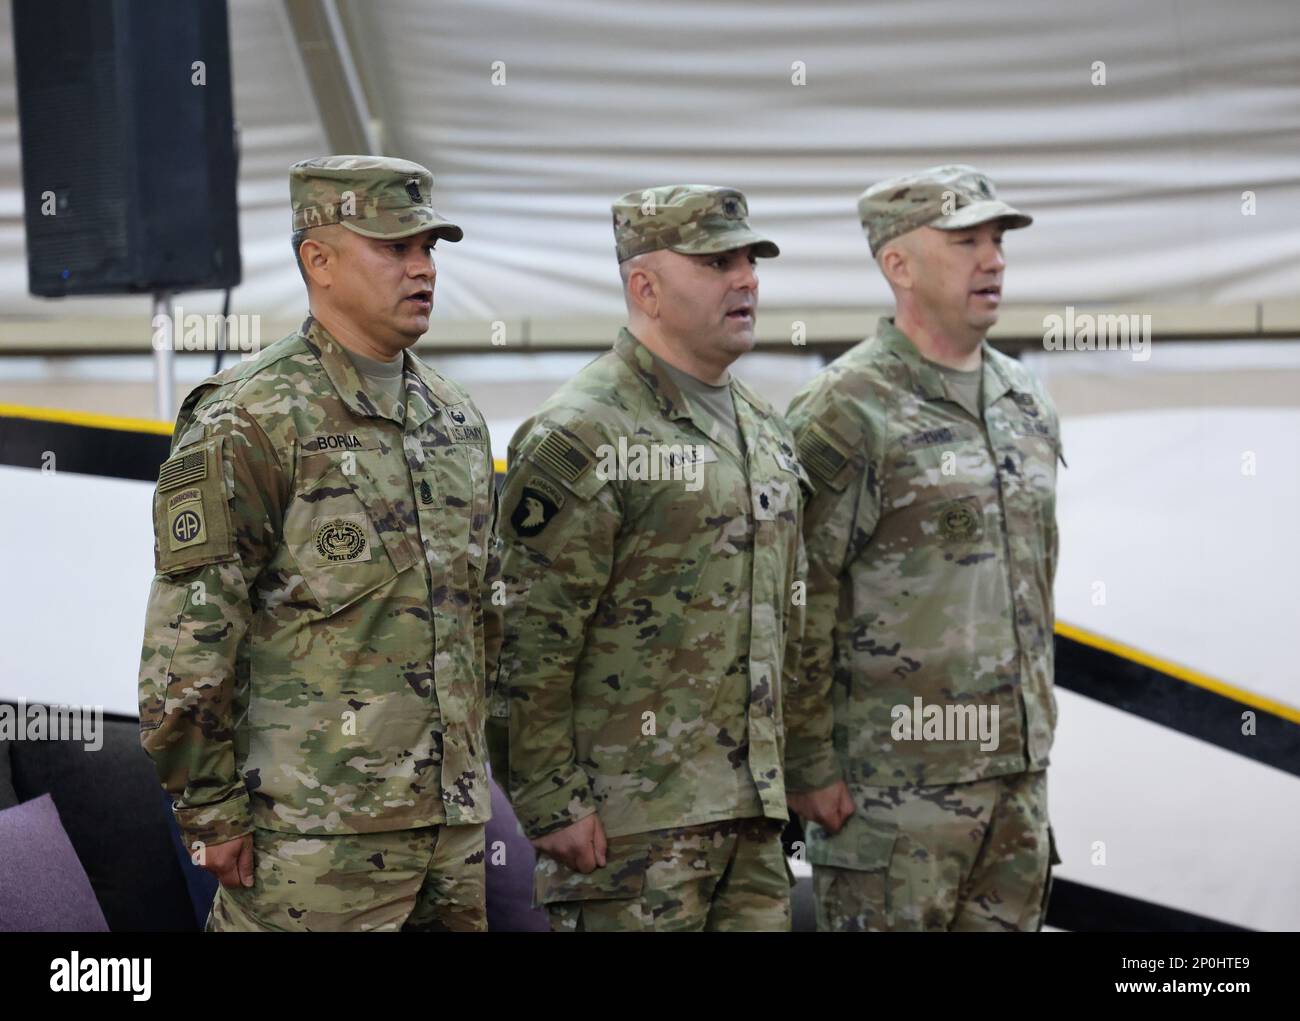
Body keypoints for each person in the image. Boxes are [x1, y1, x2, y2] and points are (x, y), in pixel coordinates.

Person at [137, 155, 501, 931]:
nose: (422, 268)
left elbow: (482, 625)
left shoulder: (458, 419)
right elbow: (189, 641)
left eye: (428, 248)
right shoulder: (251, 418)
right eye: (394, 247)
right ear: (319, 260)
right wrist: (211, 813)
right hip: (313, 841)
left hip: (452, 834)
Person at [491, 184, 840, 931]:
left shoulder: (766, 431)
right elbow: (523, 637)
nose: (745, 278)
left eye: (751, 260)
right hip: (628, 830)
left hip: (752, 822)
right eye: (717, 261)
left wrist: (804, 767)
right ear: (645, 286)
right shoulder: (582, 432)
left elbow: (793, 624)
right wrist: (549, 798)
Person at [787, 164, 1063, 931]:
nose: (994, 259)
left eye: (998, 239)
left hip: (1016, 786)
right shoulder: (845, 409)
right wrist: (808, 766)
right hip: (889, 796)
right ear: (897, 265)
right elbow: (795, 595)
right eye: (966, 240)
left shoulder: (1025, 400)